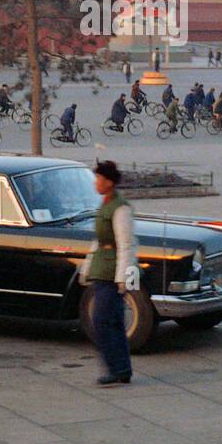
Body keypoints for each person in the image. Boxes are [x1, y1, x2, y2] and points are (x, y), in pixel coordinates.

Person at [85, 160, 136, 387]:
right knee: (112, 321)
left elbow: (126, 244)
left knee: (103, 321)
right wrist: (86, 268)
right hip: (101, 268)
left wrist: (122, 278)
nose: (96, 182)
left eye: (99, 179)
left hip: (112, 272)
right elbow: (98, 240)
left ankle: (117, 369)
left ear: (109, 182)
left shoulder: (120, 208)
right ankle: (121, 369)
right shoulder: (105, 204)